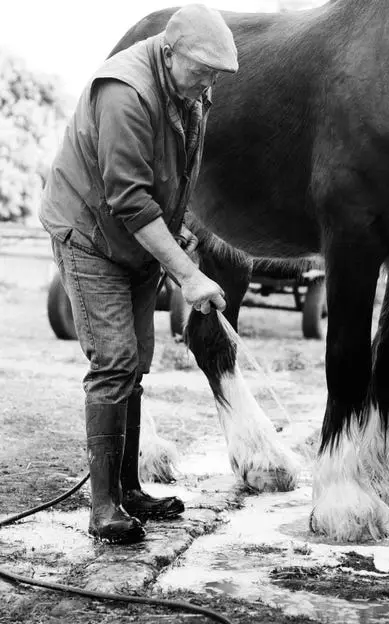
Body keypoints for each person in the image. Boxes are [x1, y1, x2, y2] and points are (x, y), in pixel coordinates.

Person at [39, 4, 239, 544]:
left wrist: (182, 227)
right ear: (169, 53)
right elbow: (128, 198)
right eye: (201, 73)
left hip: (133, 241)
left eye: (215, 77)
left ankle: (128, 490)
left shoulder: (189, 87)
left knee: (138, 363)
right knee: (115, 360)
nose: (207, 86)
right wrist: (190, 275)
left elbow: (178, 168)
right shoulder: (124, 92)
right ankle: (103, 508)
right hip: (91, 235)